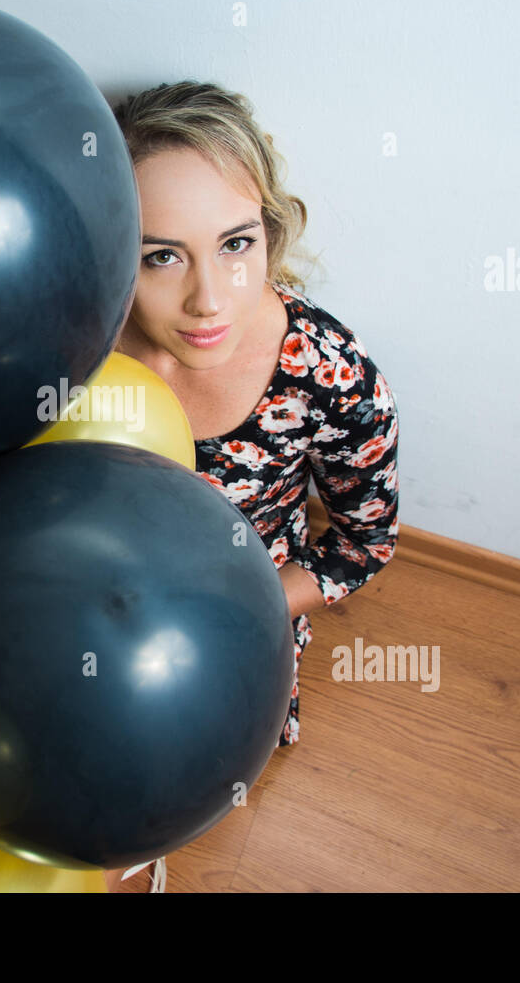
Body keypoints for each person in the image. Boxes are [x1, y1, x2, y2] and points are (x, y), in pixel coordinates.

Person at [103, 81, 401, 893]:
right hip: (93, 580)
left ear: (270, 230)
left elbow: (363, 544)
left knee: (191, 751)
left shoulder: (332, 376)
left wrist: (257, 607)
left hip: (241, 600)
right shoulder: (75, 350)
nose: (208, 298)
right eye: (161, 255)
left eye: (235, 244)